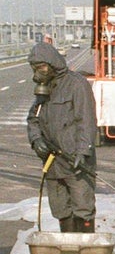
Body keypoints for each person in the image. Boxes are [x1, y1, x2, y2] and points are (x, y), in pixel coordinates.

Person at [26, 41, 97, 233]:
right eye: (35, 68)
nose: (39, 71)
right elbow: (33, 119)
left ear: (52, 63)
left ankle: (86, 252)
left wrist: (83, 151)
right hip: (53, 162)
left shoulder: (76, 84)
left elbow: (86, 120)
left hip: (76, 161)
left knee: (83, 208)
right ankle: (67, 251)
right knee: (60, 210)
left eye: (41, 67)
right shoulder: (44, 89)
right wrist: (36, 140)